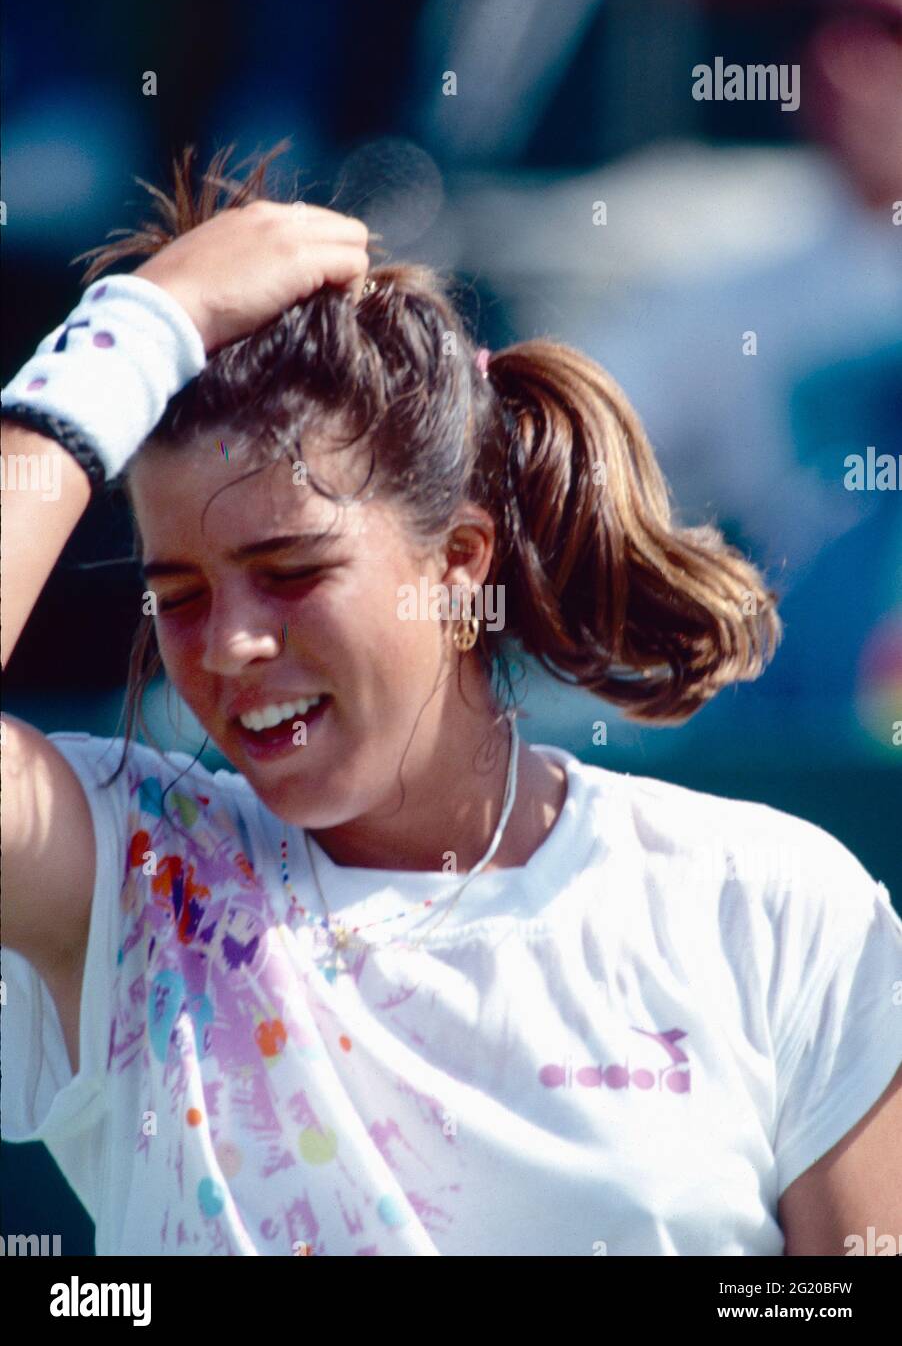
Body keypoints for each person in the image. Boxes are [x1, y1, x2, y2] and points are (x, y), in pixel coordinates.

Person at [1, 143, 899, 1257]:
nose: (228, 641)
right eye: (175, 593)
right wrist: (136, 330)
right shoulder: (135, 885)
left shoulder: (771, 905)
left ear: (460, 558)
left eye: (291, 571)